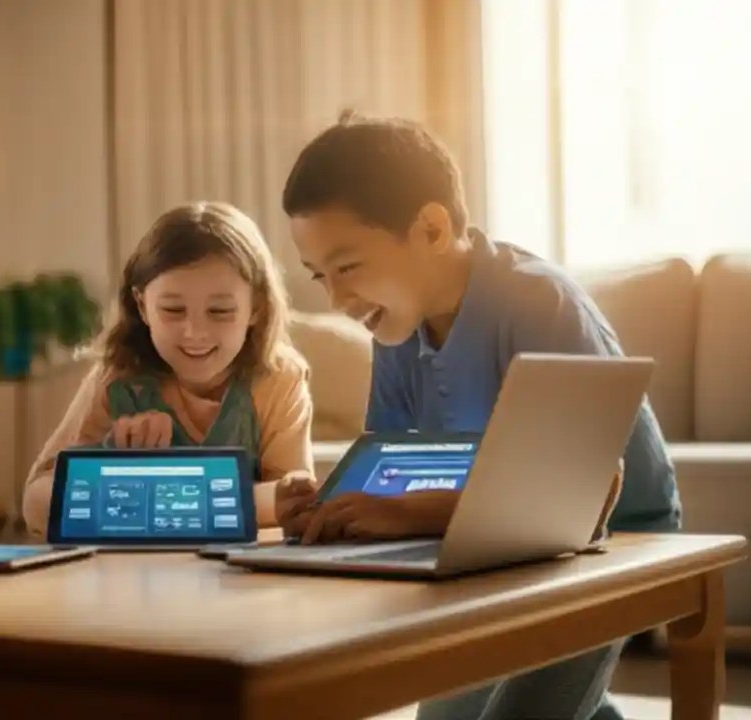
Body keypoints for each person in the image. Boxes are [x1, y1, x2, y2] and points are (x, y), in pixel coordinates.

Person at [277, 113, 681, 720]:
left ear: (432, 229)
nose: (335, 301)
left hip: (615, 540)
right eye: (319, 277)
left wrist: (404, 514)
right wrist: (325, 509)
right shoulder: (395, 330)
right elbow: (389, 469)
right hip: (489, 537)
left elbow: (583, 498)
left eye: (348, 268)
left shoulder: (538, 301)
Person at [22, 202, 314, 535]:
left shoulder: (279, 378)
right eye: (173, 310)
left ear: (256, 308)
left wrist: (149, 492)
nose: (195, 332)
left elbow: (293, 501)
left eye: (220, 311)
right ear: (142, 306)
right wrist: (112, 460)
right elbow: (36, 502)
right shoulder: (118, 377)